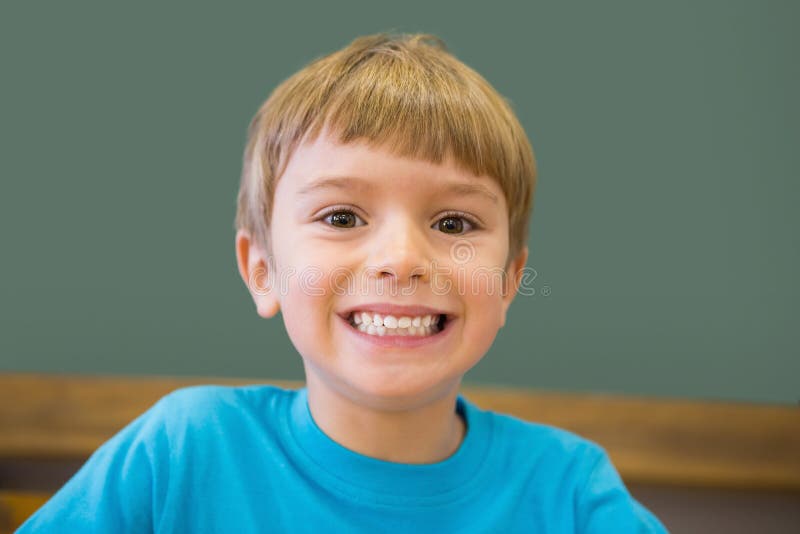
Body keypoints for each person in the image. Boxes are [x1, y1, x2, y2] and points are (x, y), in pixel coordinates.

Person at [19, 32, 668, 533]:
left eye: (453, 220)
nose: (402, 258)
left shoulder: (570, 492)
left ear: (508, 281)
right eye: (341, 216)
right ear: (262, 270)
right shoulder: (182, 452)